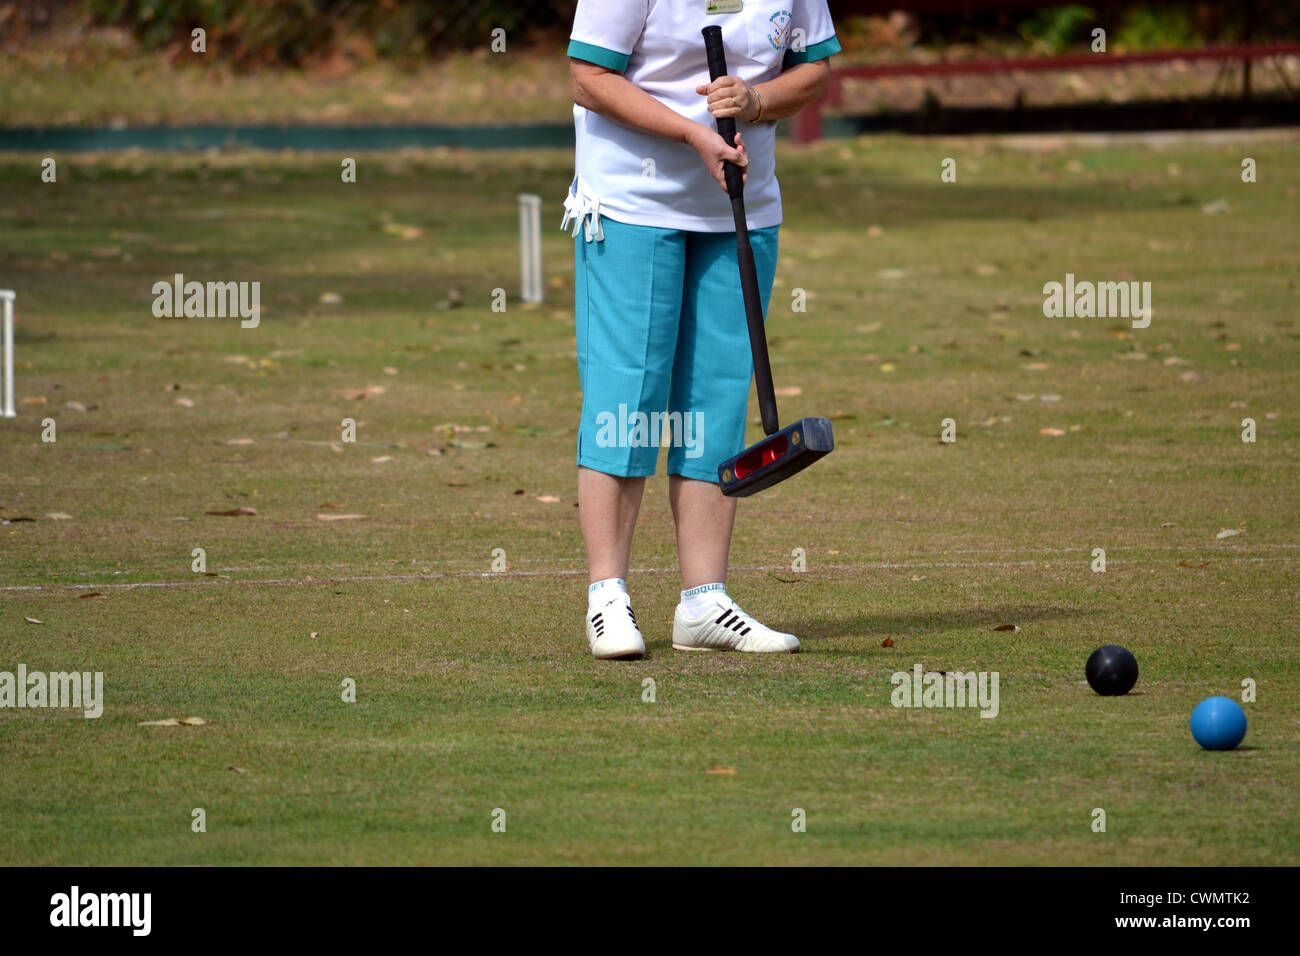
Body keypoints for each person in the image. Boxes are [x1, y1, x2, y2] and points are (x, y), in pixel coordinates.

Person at [563, 1, 839, 660]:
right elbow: (588, 77)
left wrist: (757, 100)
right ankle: (608, 597)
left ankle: (704, 603)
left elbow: (816, 69)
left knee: (716, 399)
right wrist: (692, 134)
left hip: (743, 205)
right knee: (628, 399)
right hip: (630, 204)